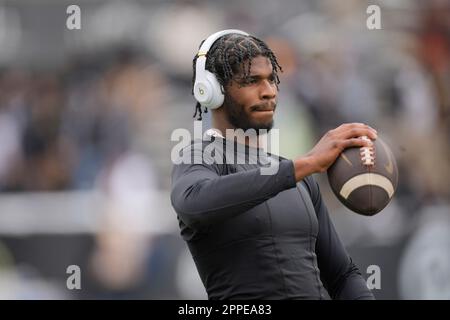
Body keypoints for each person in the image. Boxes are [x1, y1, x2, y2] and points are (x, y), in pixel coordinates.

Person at [170, 29, 376, 300]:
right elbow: (192, 203)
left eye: (271, 80)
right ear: (212, 90)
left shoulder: (300, 178)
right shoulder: (200, 156)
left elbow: (342, 275)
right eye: (252, 80)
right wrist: (304, 164)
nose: (268, 92)